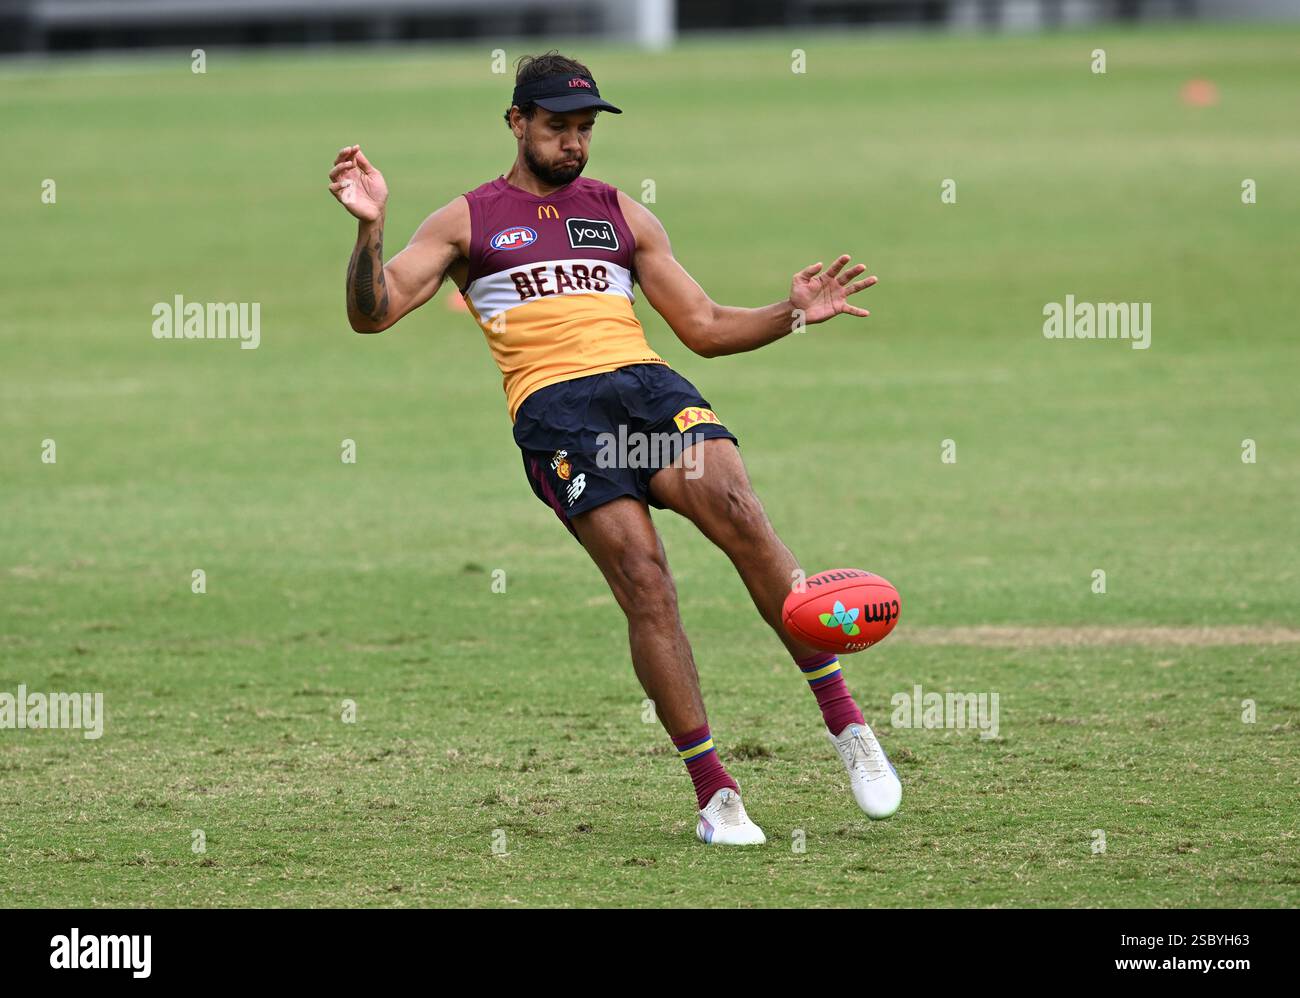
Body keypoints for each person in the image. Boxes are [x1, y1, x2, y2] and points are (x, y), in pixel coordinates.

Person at [327, 51, 900, 845]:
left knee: (740, 513)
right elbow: (373, 312)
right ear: (516, 123)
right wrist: (371, 228)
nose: (573, 143)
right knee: (646, 579)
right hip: (558, 416)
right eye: (558, 126)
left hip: (646, 390)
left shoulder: (624, 215)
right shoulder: (464, 221)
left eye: (585, 129)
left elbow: (702, 327)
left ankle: (848, 729)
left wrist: (792, 311)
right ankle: (715, 793)